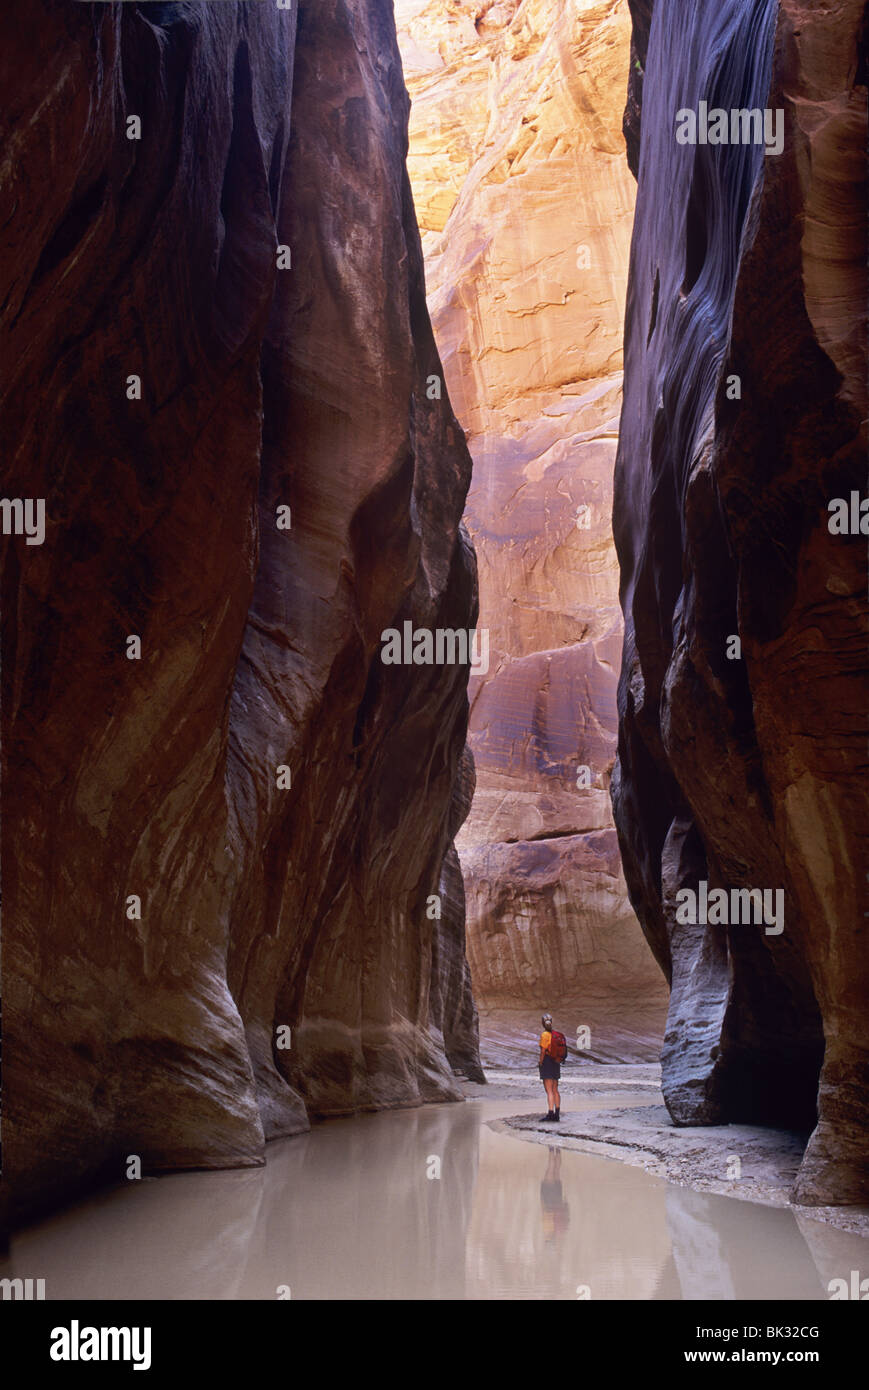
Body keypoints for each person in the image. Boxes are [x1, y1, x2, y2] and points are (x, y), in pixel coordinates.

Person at [538, 1012, 561, 1121]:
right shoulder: (556, 1034)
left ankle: (550, 1114)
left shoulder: (544, 1035)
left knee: (549, 1090)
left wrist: (540, 1062)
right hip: (556, 1062)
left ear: (543, 1023)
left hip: (547, 1061)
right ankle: (557, 1114)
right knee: (555, 1089)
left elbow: (543, 1051)